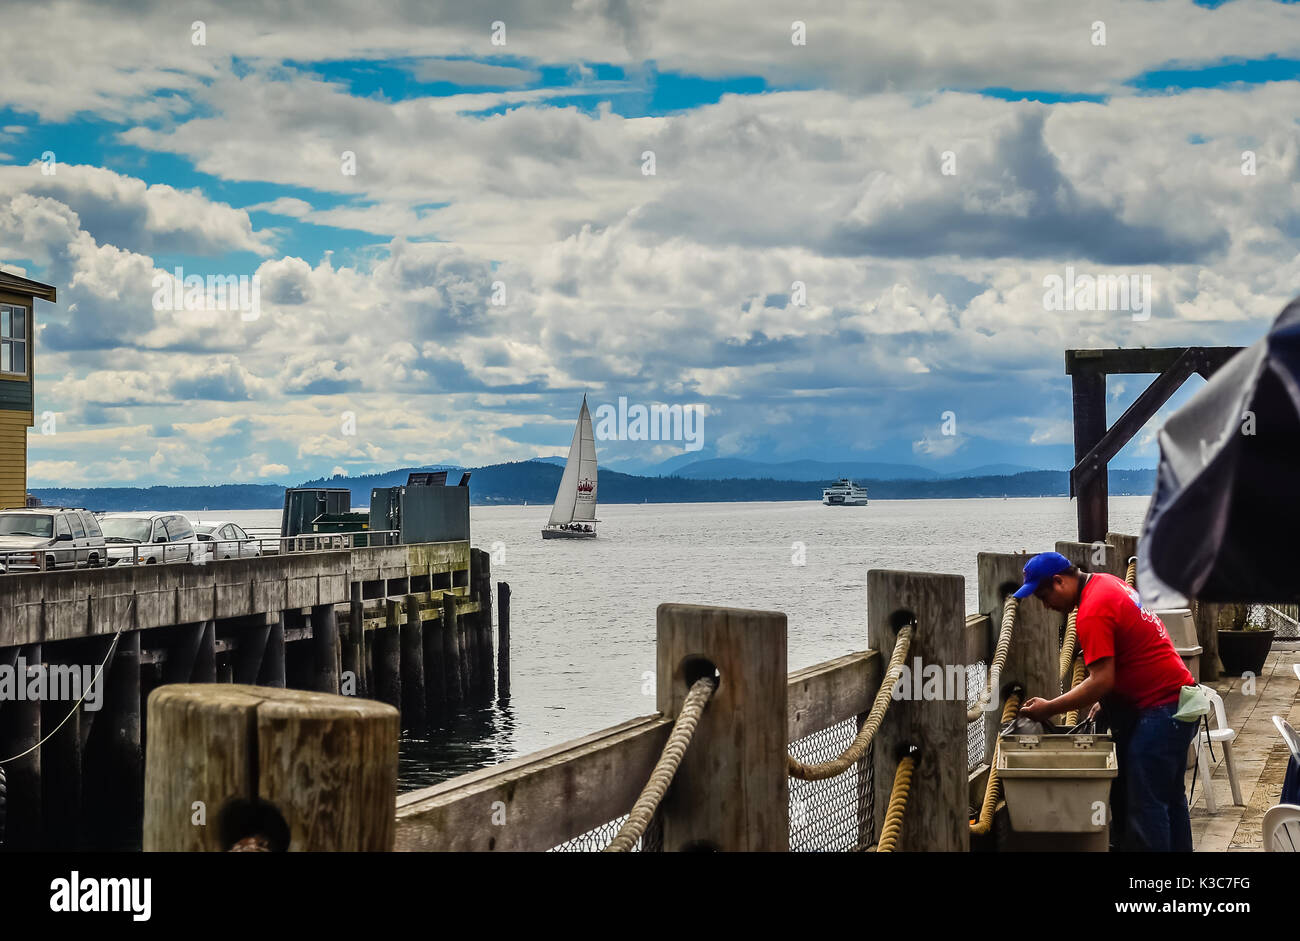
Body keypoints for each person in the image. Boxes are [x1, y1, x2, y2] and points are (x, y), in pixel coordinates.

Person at [1014, 551, 1198, 851]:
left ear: (1059, 581)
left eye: (1043, 596)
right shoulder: (1108, 582)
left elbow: (1102, 680)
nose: (1046, 606)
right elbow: (1126, 658)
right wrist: (1107, 699)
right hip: (1181, 700)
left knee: (1145, 805)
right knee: (1171, 799)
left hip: (1159, 710)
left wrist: (1049, 708)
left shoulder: (1092, 610)